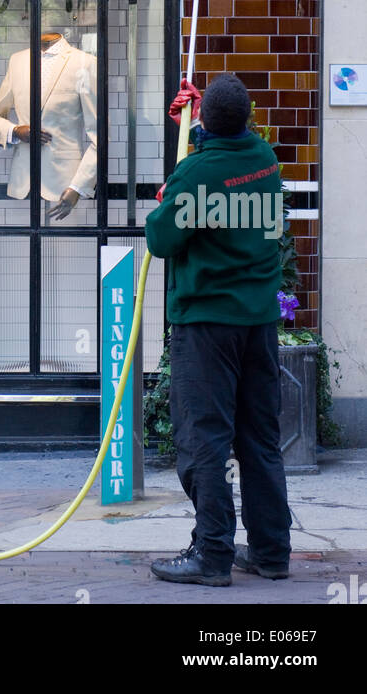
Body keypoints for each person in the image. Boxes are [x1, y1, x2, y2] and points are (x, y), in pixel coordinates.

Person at [144, 72, 291, 586]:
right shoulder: (265, 162)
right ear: (247, 119)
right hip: (259, 323)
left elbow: (161, 239)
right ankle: (271, 551)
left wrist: (171, 190)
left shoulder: (197, 173)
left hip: (207, 324)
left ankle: (211, 554)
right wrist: (198, 125)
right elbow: (228, 158)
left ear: (205, 119)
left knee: (203, 438)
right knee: (260, 438)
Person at [0, 28, 97, 220]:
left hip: (65, 186)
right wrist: (15, 131)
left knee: (66, 247)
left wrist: (78, 187)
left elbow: (100, 136)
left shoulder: (84, 62)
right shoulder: (17, 61)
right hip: (22, 186)